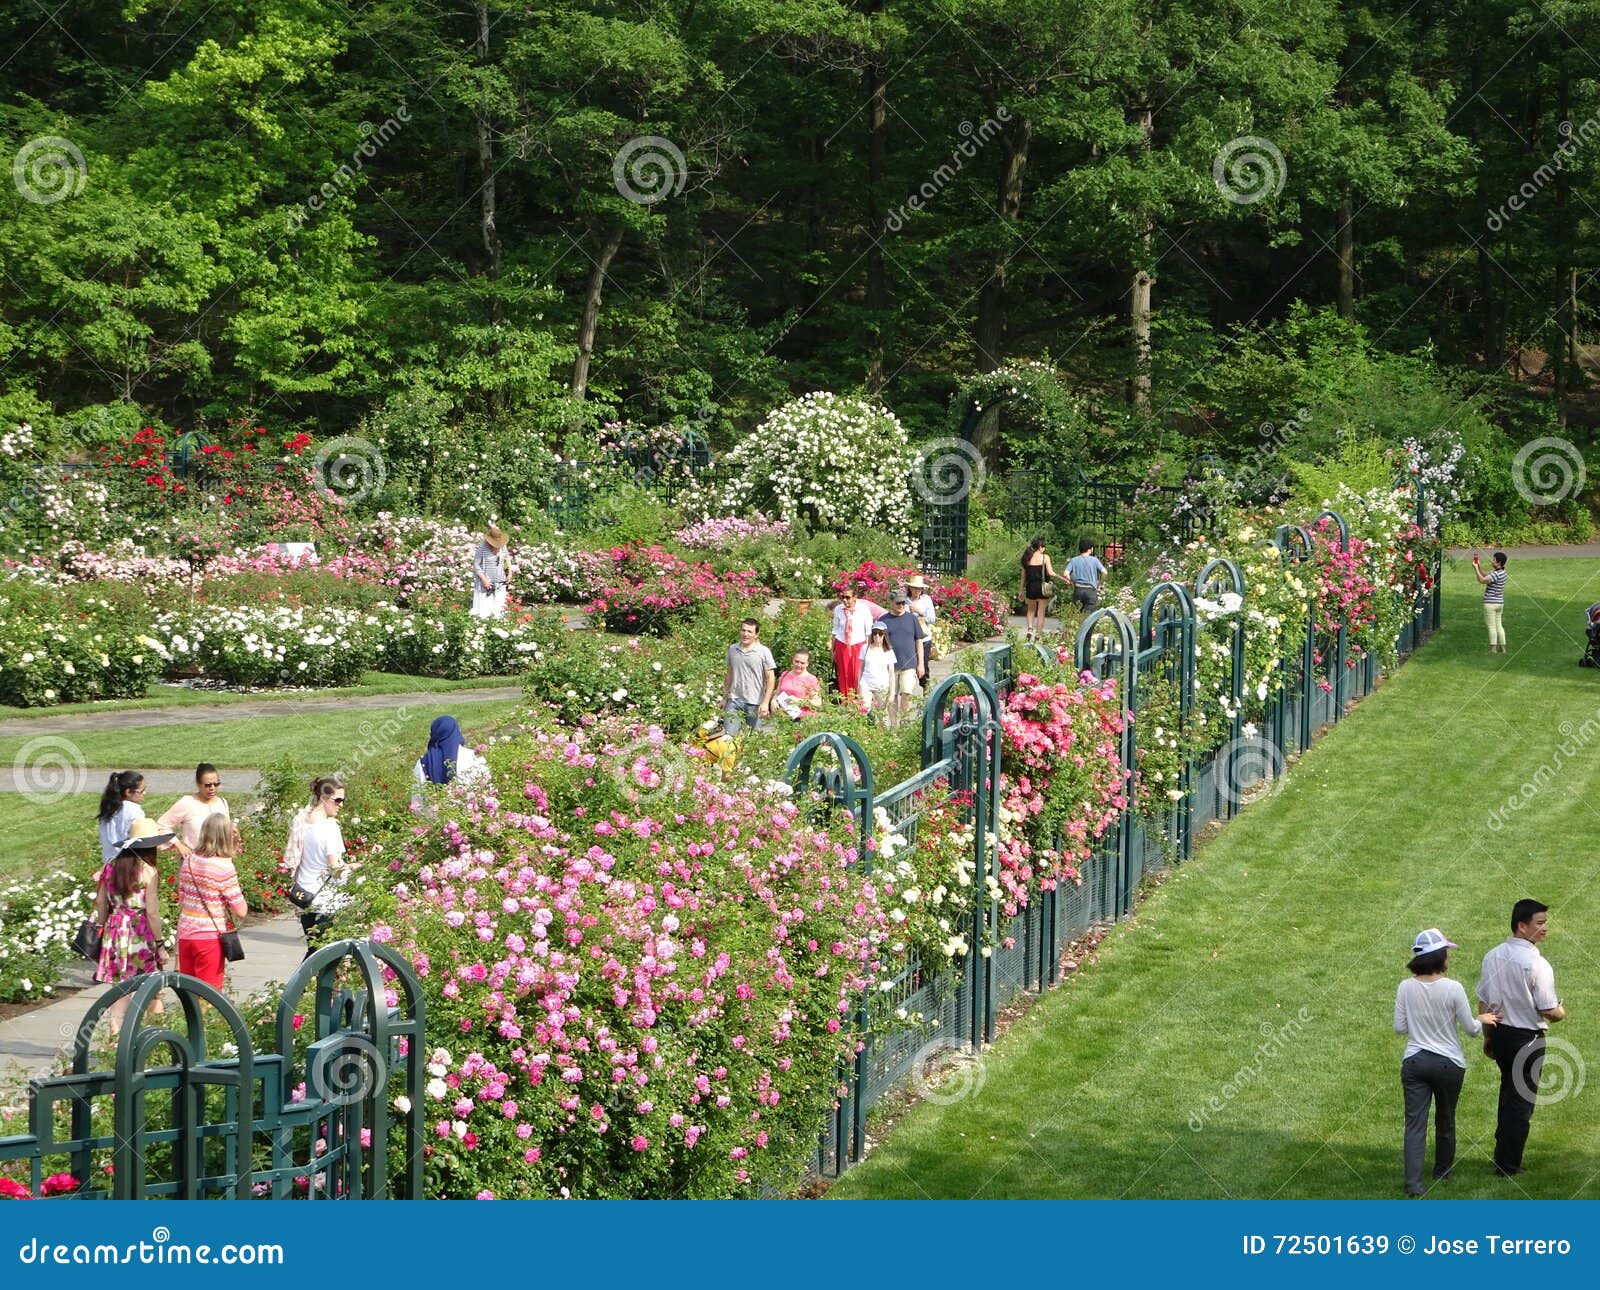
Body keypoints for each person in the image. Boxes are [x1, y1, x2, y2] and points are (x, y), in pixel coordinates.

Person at [1393, 928, 1500, 1197]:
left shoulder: (1405, 987)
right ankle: (1442, 1171)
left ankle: (1413, 1185)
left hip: (1415, 1062)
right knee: (1446, 1118)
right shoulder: (1453, 988)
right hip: (1448, 1064)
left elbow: (1400, 1027)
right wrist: (1483, 1020)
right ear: (1439, 957)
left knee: (1414, 1125)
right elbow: (1472, 1029)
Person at [1476, 898, 1565, 1177]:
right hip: (1527, 1039)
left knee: (1508, 1096)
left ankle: (1502, 1155)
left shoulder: (1492, 956)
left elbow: (1484, 1002)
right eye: (1540, 923)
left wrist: (1488, 1037)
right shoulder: (1537, 964)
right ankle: (1508, 1165)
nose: (1544, 929)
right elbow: (1549, 1009)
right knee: (1521, 1104)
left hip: (1501, 1035)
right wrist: (1561, 1011)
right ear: (1521, 926)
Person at [92, 817, 173, 1034]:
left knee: (121, 989)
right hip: (140, 930)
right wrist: (161, 945)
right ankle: (158, 1036)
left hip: (115, 928)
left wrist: (104, 925)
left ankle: (114, 1038)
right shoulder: (148, 871)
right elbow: (152, 912)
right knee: (152, 987)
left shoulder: (111, 866)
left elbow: (100, 902)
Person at [176, 813, 248, 990]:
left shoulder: (189, 861)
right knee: (209, 995)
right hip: (209, 937)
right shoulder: (224, 867)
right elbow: (241, 910)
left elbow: (182, 897)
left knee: (189, 994)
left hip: (185, 934)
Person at [293, 778, 351, 954]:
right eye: (338, 800)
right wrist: (357, 866)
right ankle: (298, 982)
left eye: (343, 800)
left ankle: (302, 982)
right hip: (324, 900)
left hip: (303, 896)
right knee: (323, 956)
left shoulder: (303, 821)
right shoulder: (330, 828)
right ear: (324, 798)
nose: (341, 805)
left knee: (314, 951)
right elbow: (335, 869)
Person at [157, 764, 235, 859]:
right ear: (198, 784)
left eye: (216, 784)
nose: (212, 788)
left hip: (220, 863)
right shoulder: (187, 803)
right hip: (194, 863)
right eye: (208, 785)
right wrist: (178, 844)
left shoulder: (222, 802)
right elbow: (162, 825)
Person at [412, 715, 488, 804]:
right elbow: (487, 794)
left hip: (433, 815)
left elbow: (417, 801)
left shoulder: (423, 762)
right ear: (457, 733)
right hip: (471, 814)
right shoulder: (475, 758)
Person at [879, 592, 929, 724]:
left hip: (909, 664)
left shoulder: (911, 618)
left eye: (903, 603)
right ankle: (894, 725)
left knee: (906, 693)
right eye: (898, 603)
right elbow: (878, 644)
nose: (901, 605)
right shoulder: (883, 620)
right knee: (892, 696)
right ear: (891, 603)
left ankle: (905, 721)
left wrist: (921, 664)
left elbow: (919, 641)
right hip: (890, 666)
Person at [722, 618, 776, 733]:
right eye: (743, 630)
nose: (745, 634)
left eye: (750, 632)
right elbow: (729, 674)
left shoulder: (763, 651)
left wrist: (766, 703)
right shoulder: (733, 649)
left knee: (753, 741)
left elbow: (771, 678)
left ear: (756, 634)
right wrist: (724, 697)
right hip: (734, 700)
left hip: (755, 703)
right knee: (729, 739)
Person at [830, 586, 876, 698]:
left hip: (858, 644)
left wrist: (869, 649)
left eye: (848, 597)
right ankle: (845, 700)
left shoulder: (863, 609)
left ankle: (858, 700)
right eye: (842, 597)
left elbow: (868, 631)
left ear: (855, 597)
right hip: (842, 643)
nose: (845, 600)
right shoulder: (838, 609)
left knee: (856, 673)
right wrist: (832, 650)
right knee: (843, 673)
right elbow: (835, 630)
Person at [96, 770, 147, 864]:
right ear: (128, 792)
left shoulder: (109, 809)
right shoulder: (135, 811)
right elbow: (141, 838)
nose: (145, 793)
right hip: (129, 864)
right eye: (142, 791)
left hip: (109, 863)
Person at [1020, 537, 1057, 642]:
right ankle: (1037, 635)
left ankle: (1030, 629)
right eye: (1044, 546)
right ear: (1040, 547)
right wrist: (1061, 577)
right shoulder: (1045, 557)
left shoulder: (1026, 558)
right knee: (1041, 613)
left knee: (1030, 610)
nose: (1044, 549)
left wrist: (1020, 591)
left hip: (1030, 587)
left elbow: (1023, 577)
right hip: (1042, 588)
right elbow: (1050, 573)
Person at [471, 525, 511, 619]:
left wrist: (509, 572)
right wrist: (484, 579)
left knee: (499, 607)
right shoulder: (482, 548)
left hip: (500, 579)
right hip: (486, 581)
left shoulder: (502, 546)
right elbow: (476, 565)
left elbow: (506, 559)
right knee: (485, 611)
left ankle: (498, 621)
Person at [1473, 551, 1507, 654]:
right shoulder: (1502, 572)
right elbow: (1486, 575)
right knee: (1499, 626)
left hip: (1490, 604)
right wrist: (1479, 566)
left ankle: (1493, 649)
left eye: (1494, 560)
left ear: (1499, 562)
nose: (1492, 561)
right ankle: (1503, 648)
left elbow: (1482, 580)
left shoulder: (1496, 574)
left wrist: (1475, 569)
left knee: (1491, 626)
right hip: (1499, 603)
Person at [773, 650, 823, 721]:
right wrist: (773, 700)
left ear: (807, 664)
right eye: (796, 661)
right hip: (784, 718)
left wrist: (798, 701)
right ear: (792, 660)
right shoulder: (785, 674)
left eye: (802, 663)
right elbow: (777, 693)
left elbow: (817, 703)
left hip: (803, 719)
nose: (799, 665)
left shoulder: (811, 679)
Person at [858, 624, 897, 714]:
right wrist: (859, 684)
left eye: (880, 634)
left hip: (882, 685)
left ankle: (882, 728)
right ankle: (863, 728)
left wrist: (892, 693)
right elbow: (860, 668)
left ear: (884, 635)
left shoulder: (888, 651)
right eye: (875, 633)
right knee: (863, 711)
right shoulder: (865, 648)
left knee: (881, 714)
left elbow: (891, 673)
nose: (877, 636)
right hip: (866, 683)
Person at [1065, 539, 1107, 614]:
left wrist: (1070, 580)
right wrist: (1099, 585)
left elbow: (1066, 573)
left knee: (1076, 614)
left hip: (1078, 590)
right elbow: (1105, 572)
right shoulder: (1095, 560)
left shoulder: (1074, 560)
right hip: (1090, 590)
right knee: (1089, 617)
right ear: (1090, 549)